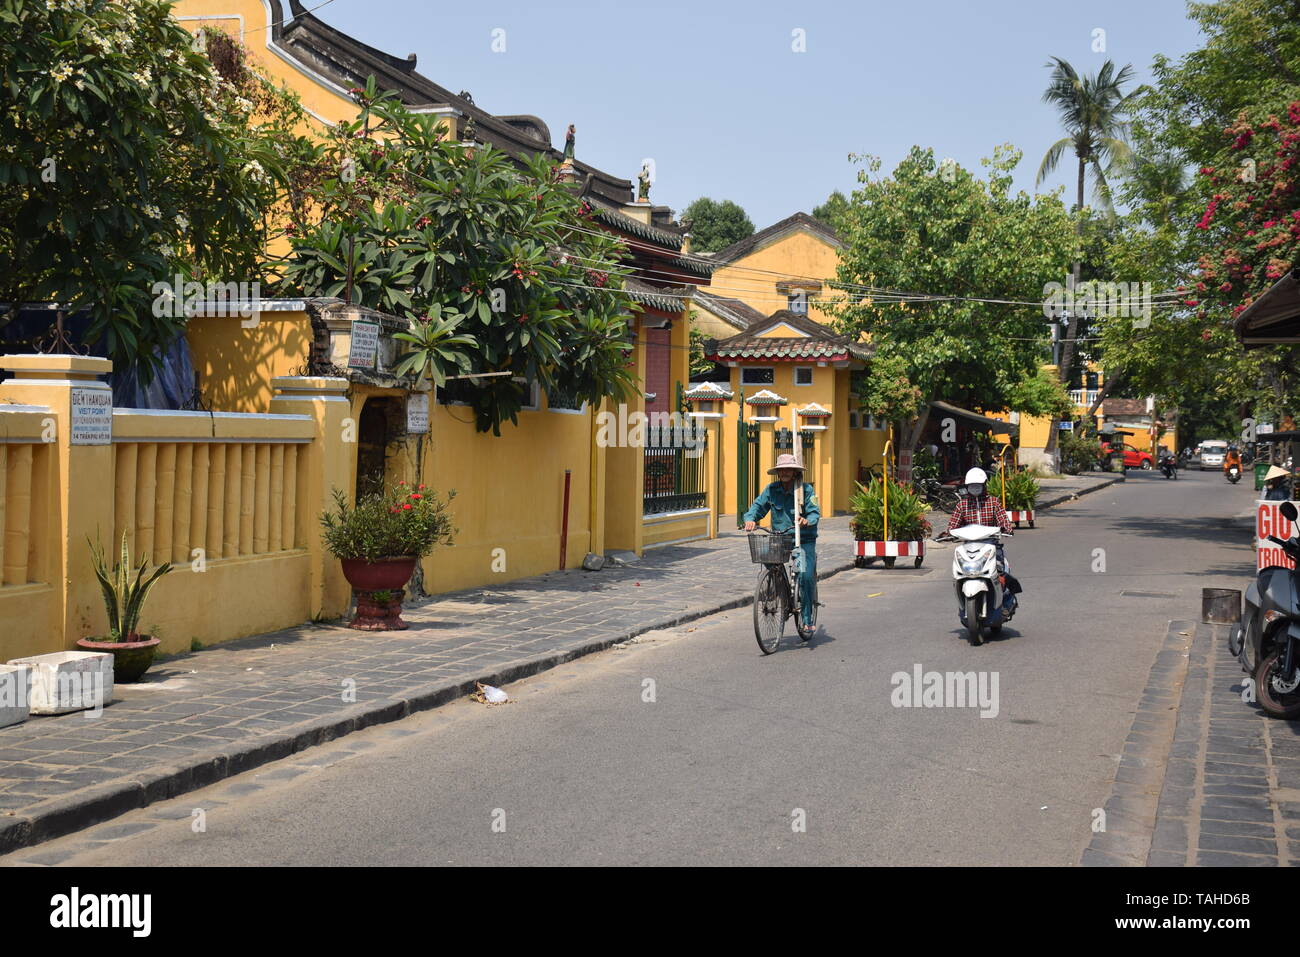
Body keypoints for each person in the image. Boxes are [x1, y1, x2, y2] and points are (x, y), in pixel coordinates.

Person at [743, 453, 820, 631]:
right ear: (778, 472)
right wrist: (750, 519)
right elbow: (757, 507)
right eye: (781, 469)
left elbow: (815, 512)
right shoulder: (771, 489)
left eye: (788, 469)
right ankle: (781, 594)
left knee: (806, 575)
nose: (785, 472)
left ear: (794, 472)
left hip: (804, 539)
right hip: (780, 537)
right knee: (767, 559)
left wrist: (807, 520)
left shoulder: (805, 490)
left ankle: (807, 618)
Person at [943, 468, 1018, 617]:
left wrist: (1006, 529)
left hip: (991, 545)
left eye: (978, 485)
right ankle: (963, 604)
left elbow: (1004, 521)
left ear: (984, 485)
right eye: (972, 485)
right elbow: (952, 526)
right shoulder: (962, 505)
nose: (975, 488)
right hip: (969, 546)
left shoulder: (994, 502)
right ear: (967, 487)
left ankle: (1004, 601)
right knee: (959, 572)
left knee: (1000, 570)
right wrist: (947, 534)